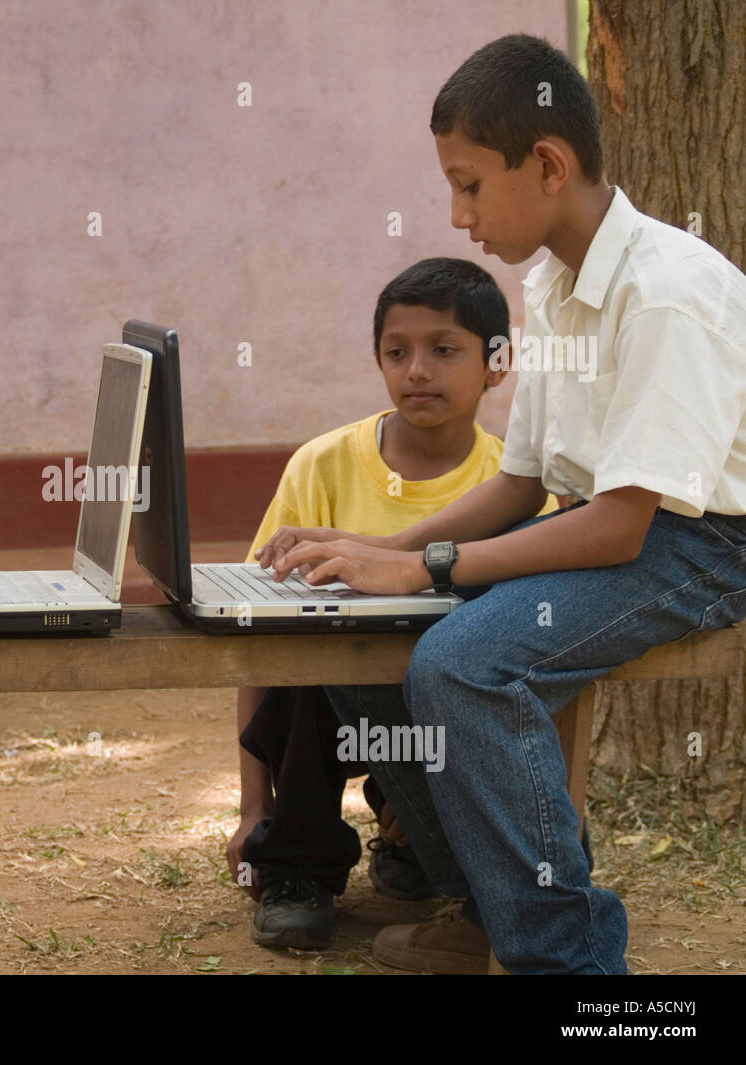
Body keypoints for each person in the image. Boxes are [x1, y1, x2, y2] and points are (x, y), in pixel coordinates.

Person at [263, 34, 746, 973]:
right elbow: (522, 485)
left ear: (550, 165)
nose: (458, 213)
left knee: (463, 664)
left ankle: (571, 968)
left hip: (704, 542)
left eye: (471, 184)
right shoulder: (556, 282)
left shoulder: (664, 294)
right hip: (609, 523)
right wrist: (380, 550)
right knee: (378, 634)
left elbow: (622, 526)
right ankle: (491, 916)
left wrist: (426, 566)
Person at [227, 257, 558, 950]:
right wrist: (252, 807)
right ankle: (297, 864)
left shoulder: (518, 487)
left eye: (444, 350)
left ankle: (412, 834)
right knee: (313, 647)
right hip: (322, 713)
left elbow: (536, 660)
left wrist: (420, 779)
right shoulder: (321, 465)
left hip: (445, 724)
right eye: (397, 352)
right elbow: (256, 646)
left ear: (497, 363)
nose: (416, 371)